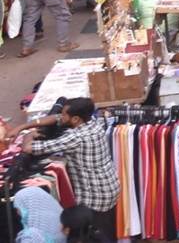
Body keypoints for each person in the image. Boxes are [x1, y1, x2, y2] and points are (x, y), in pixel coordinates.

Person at [18, 98, 119, 239]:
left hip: (96, 195)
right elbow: (57, 118)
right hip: (108, 185)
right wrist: (22, 126)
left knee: (97, 234)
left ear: (76, 119)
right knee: (107, 229)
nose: (61, 116)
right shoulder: (92, 122)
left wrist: (28, 135)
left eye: (65, 114)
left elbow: (28, 148)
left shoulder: (76, 137)